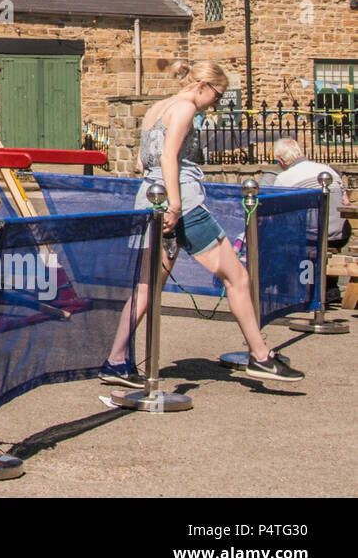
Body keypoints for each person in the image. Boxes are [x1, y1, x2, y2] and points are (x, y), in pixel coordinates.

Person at [102, 59, 303, 383]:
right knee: (237, 277)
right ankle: (261, 356)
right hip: (182, 203)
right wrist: (177, 203)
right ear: (202, 86)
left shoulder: (156, 109)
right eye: (218, 96)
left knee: (145, 287)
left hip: (149, 199)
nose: (217, 104)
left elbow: (141, 163)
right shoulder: (184, 109)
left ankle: (115, 361)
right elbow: (168, 156)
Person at [272, 137, 350, 305]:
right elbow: (346, 202)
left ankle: (293, 288)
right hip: (339, 234)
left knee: (281, 233)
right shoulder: (328, 170)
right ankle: (330, 288)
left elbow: (278, 212)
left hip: (311, 236)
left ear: (280, 161)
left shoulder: (284, 178)